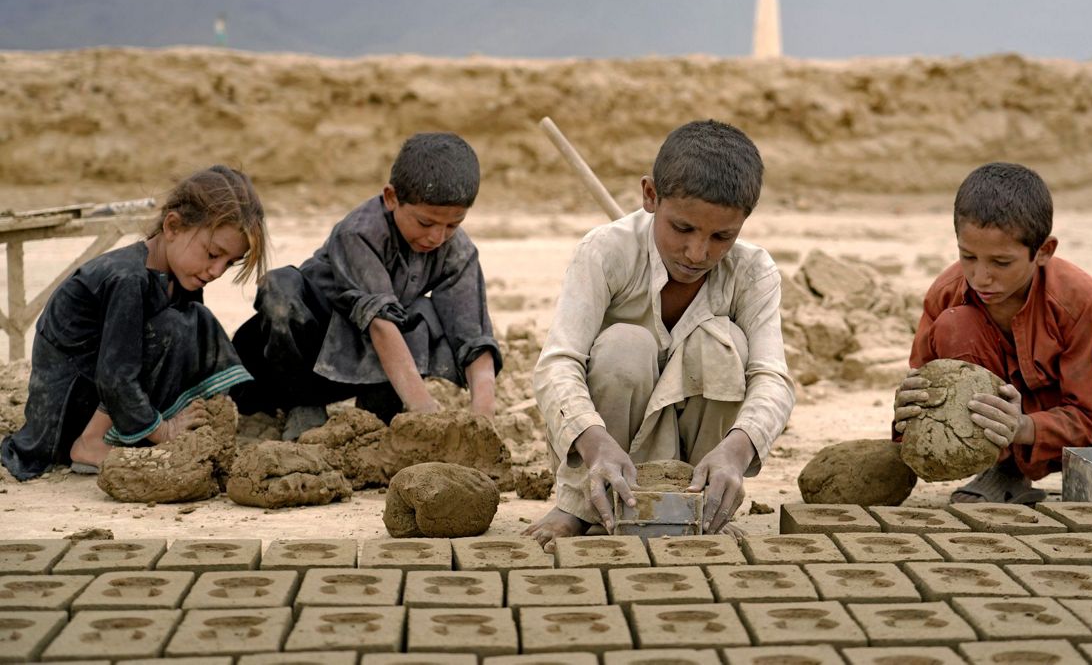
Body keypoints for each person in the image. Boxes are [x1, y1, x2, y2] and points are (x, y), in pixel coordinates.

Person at [526, 120, 794, 548]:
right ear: (651, 196)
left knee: (722, 344)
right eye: (682, 228)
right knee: (624, 345)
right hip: (604, 451)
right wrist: (595, 445)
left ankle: (701, 505)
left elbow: (773, 380)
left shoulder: (753, 271)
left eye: (722, 236)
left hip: (696, 463)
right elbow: (558, 364)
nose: (698, 253)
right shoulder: (604, 251)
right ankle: (581, 506)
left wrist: (736, 451)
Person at [893, 162, 1092, 504]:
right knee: (953, 323)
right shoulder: (945, 294)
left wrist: (1024, 426)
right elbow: (926, 394)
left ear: (1043, 252)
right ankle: (1004, 472)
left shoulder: (1077, 300)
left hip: (1087, 436)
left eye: (1001, 263)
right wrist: (907, 412)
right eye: (968, 257)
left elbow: (1089, 418)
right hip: (1002, 439)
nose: (981, 277)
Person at [1, 165, 268, 480]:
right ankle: (92, 443)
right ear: (172, 227)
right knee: (171, 328)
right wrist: (164, 432)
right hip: (66, 414)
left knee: (196, 320)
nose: (216, 271)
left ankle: (159, 424)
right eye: (212, 254)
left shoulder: (181, 278)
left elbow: (189, 348)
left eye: (228, 263)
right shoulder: (128, 279)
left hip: (112, 398)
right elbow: (115, 375)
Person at [230, 132, 500, 436]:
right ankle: (301, 404)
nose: (437, 237)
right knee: (281, 287)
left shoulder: (457, 251)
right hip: (305, 354)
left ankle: (379, 414)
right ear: (391, 198)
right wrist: (425, 410)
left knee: (422, 311)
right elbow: (380, 324)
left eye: (453, 224)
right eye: (425, 223)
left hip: (372, 363)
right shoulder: (359, 232)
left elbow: (473, 335)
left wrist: (483, 418)